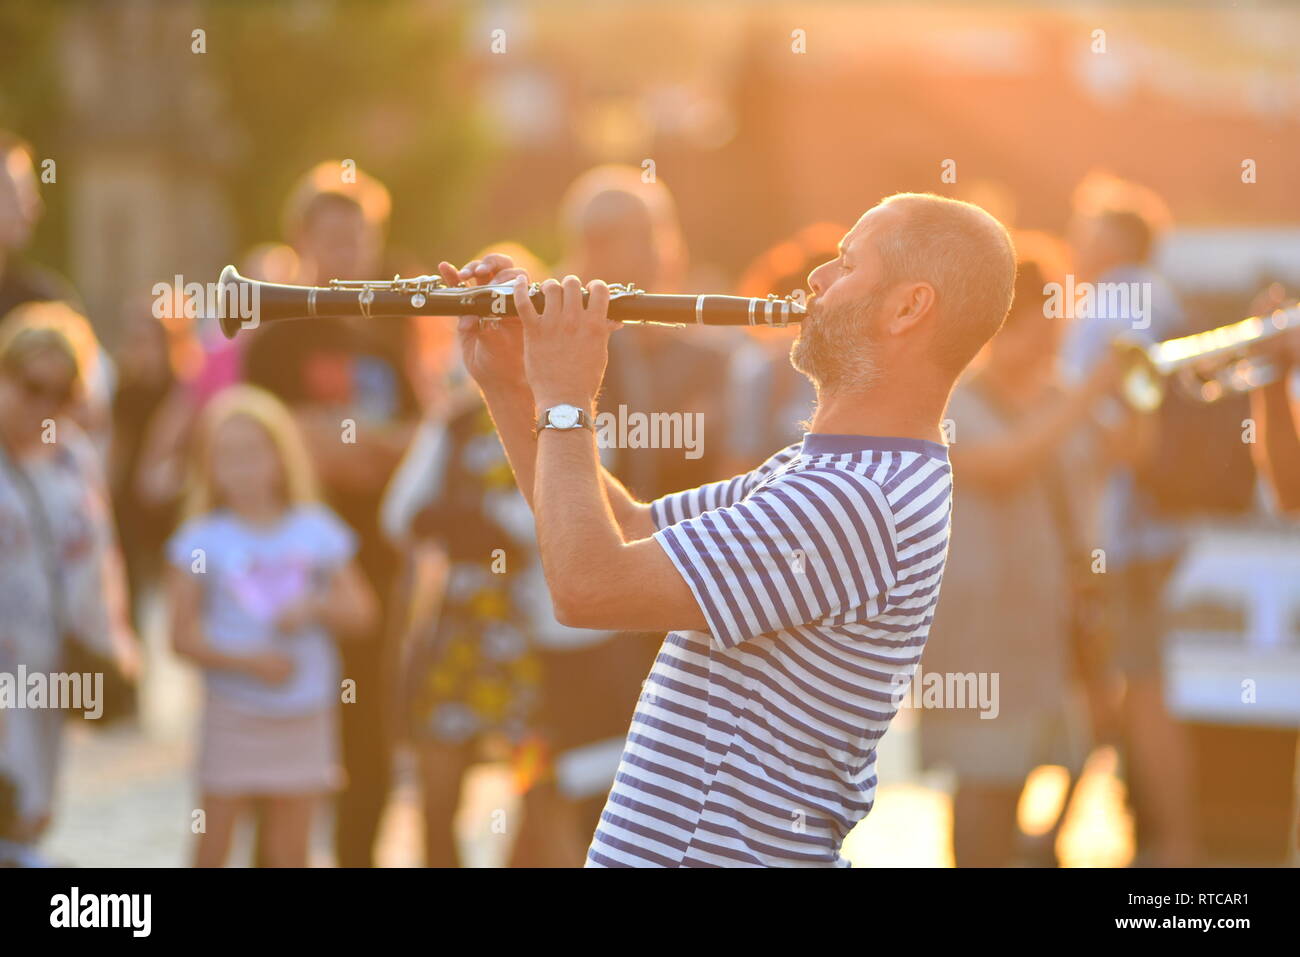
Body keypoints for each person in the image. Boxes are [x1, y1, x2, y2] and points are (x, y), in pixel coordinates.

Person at [455, 191, 1016, 866]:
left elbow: (587, 588)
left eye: (845, 263)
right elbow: (623, 526)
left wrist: (567, 396)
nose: (816, 279)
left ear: (907, 307)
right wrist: (515, 389)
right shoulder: (833, 471)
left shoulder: (855, 496)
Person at [241, 162, 420, 866]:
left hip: (372, 565)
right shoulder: (276, 337)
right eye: (334, 233)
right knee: (280, 729)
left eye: (362, 234)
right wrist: (356, 442)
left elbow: (417, 442)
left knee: (369, 739)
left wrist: (343, 434)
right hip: (287, 568)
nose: (350, 247)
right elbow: (283, 447)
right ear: (303, 239)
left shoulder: (386, 338)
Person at [920, 243, 1121, 866]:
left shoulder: (1060, 393)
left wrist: (1131, 393)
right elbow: (1005, 465)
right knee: (983, 781)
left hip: (1050, 616)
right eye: (1043, 324)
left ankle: (1035, 851)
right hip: (978, 624)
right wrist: (1089, 394)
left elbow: (1125, 455)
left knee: (1066, 750)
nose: (1053, 339)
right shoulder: (951, 402)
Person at [166, 385, 376, 867]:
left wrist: (314, 606)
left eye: (254, 452)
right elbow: (180, 637)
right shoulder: (200, 540)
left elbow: (363, 611)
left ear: (282, 458)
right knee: (214, 834)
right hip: (232, 709)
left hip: (304, 709)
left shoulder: (316, 528)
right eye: (228, 455)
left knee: (292, 846)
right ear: (209, 465)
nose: (242, 467)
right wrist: (248, 663)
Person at [1061, 172, 1197, 866]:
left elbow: (1129, 400)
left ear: (1113, 238)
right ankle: (1087, 828)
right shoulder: (1153, 293)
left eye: (1086, 229)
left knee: (1135, 688)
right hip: (1148, 529)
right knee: (1116, 683)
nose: (1074, 242)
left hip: (1124, 530)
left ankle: (1172, 849)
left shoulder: (1116, 298)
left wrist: (1108, 454)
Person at [0, 303, 136, 846]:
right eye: (31, 387)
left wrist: (113, 648)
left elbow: (100, 559)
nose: (43, 407)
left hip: (50, 669)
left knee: (32, 815)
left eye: (62, 395)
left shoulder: (74, 458)